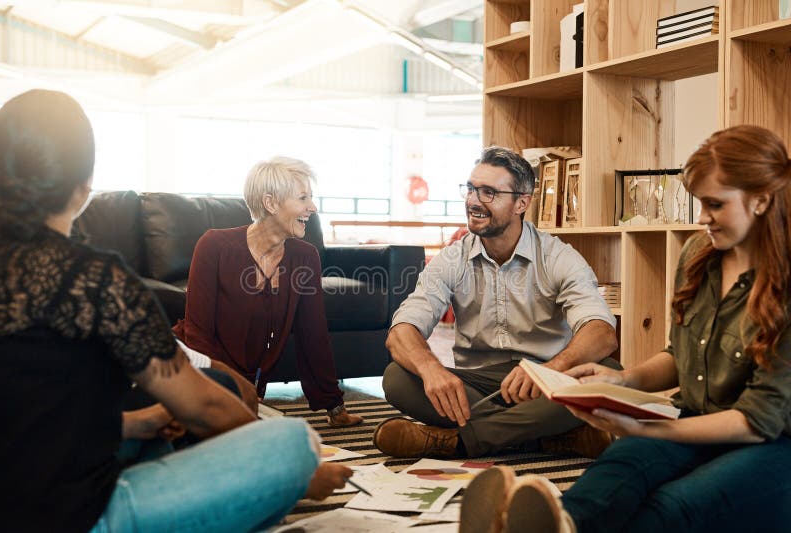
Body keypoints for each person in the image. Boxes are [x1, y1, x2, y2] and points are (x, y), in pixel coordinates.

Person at [0, 89, 352, 533]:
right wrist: (304, 473)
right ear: (84, 187)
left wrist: (132, 424)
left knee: (162, 428)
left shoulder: (300, 255)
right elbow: (201, 404)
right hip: (74, 516)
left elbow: (26, 416)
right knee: (293, 443)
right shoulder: (98, 281)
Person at [459, 125, 791, 533]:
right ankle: (558, 525)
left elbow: (757, 421)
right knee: (615, 472)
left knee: (671, 506)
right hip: (695, 418)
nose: (702, 217)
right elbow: (679, 354)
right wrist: (622, 378)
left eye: (715, 205)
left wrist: (652, 426)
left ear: (760, 200)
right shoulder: (698, 256)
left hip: (769, 444)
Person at [375, 146, 619, 459]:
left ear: (521, 203)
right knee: (397, 377)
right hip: (476, 386)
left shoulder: (559, 257)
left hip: (545, 383)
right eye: (471, 189)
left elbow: (601, 332)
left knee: (608, 372)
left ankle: (457, 442)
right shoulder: (452, 259)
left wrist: (552, 369)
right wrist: (430, 368)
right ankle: (544, 437)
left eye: (489, 192)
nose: (473, 201)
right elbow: (402, 330)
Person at [172, 156, 362, 427]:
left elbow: (313, 335)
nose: (312, 207)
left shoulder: (305, 256)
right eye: (303, 198)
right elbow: (197, 334)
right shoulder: (214, 245)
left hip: (247, 388)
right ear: (271, 203)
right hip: (192, 373)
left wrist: (335, 408)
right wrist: (221, 389)